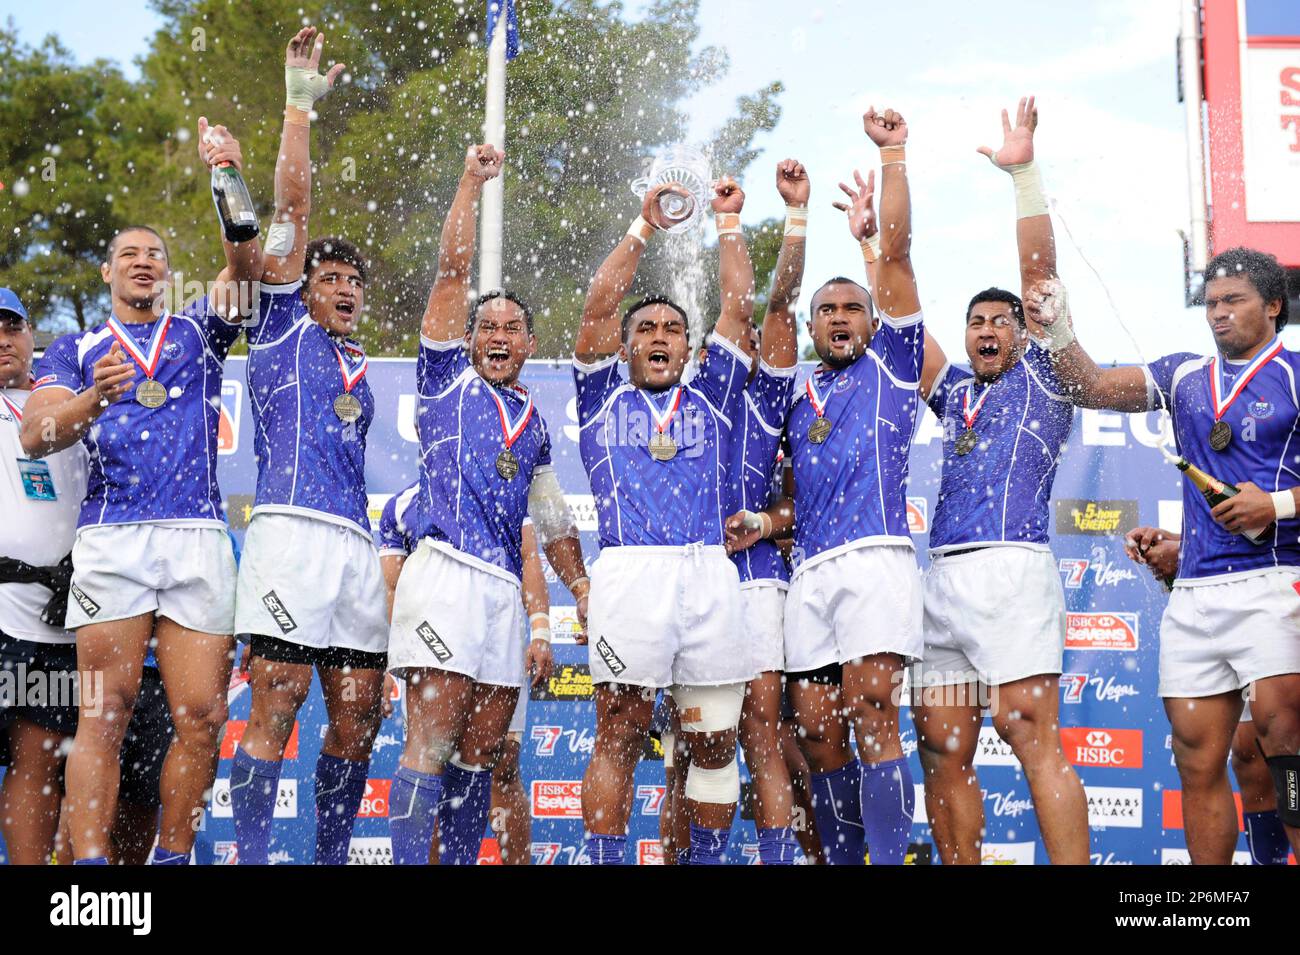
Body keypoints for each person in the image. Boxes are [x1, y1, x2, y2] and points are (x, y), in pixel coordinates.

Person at [20, 122, 261, 864]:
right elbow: (36, 434)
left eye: (155, 254)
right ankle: (91, 868)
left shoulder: (197, 329)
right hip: (113, 534)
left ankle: (173, 857)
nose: (143, 262)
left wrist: (226, 172)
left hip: (193, 533)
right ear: (106, 273)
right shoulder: (75, 348)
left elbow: (248, 266)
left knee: (199, 713)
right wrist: (93, 397)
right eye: (128, 254)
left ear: (167, 271)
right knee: (106, 712)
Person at [1036, 244, 1300, 861]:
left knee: (1285, 742)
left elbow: (1274, 502)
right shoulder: (1183, 375)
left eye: (1233, 300)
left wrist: (1279, 506)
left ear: (1274, 305)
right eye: (1210, 303)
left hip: (1273, 582)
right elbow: (1093, 386)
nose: (1218, 314)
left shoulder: (1296, 373)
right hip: (1195, 595)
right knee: (1200, 758)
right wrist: (1056, 326)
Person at [386, 142, 586, 866]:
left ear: (530, 343)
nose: (497, 337)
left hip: (503, 589)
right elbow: (451, 271)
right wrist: (470, 181)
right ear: (466, 338)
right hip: (444, 572)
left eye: (510, 329)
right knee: (432, 742)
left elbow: (555, 519)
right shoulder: (442, 379)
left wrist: (582, 589)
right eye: (486, 327)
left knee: (481, 755)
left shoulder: (532, 423)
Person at [903, 98, 1087, 864]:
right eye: (975, 321)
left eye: (1000, 321)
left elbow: (1039, 276)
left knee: (1030, 734)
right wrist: (881, 239)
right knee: (944, 750)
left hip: (1012, 573)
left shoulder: (1045, 376)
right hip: (943, 581)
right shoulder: (953, 394)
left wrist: (1024, 176)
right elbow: (901, 320)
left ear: (1023, 331)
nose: (985, 330)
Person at [226, 26, 388, 867]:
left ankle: (330, 855)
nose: (344, 289)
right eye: (330, 278)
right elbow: (289, 212)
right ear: (304, 288)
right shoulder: (282, 324)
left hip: (353, 545)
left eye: (353, 281)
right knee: (279, 700)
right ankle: (252, 859)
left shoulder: (361, 367)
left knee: (358, 710)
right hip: (289, 532)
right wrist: (297, 108)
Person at [753, 107, 922, 865]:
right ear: (815, 326)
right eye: (830, 310)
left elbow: (901, 258)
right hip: (809, 571)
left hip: (877, 559)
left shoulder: (893, 366)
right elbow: (775, 305)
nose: (842, 317)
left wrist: (892, 157)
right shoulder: (793, 392)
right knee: (819, 733)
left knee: (874, 710)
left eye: (855, 307)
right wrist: (770, 521)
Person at [574, 172, 755, 866]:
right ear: (625, 349)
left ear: (687, 349)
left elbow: (737, 310)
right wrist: (642, 227)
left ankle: (705, 858)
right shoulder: (598, 398)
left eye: (672, 330)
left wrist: (730, 223)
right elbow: (596, 308)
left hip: (708, 573)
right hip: (629, 574)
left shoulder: (712, 393)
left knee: (713, 739)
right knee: (618, 729)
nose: (658, 336)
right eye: (645, 329)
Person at [719, 160, 810, 865]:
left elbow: (776, 305)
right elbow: (736, 305)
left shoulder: (768, 395)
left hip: (752, 576)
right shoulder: (686, 391)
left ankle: (784, 856)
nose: (751, 337)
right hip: (686, 576)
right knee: (690, 743)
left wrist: (791, 216)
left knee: (761, 730)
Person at [1125, 526, 1292, 865]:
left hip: (1278, 586)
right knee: (1248, 753)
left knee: (1286, 753)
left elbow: (1271, 507)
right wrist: (1188, 546)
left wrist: (1186, 549)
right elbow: (1237, 517)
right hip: (1218, 590)